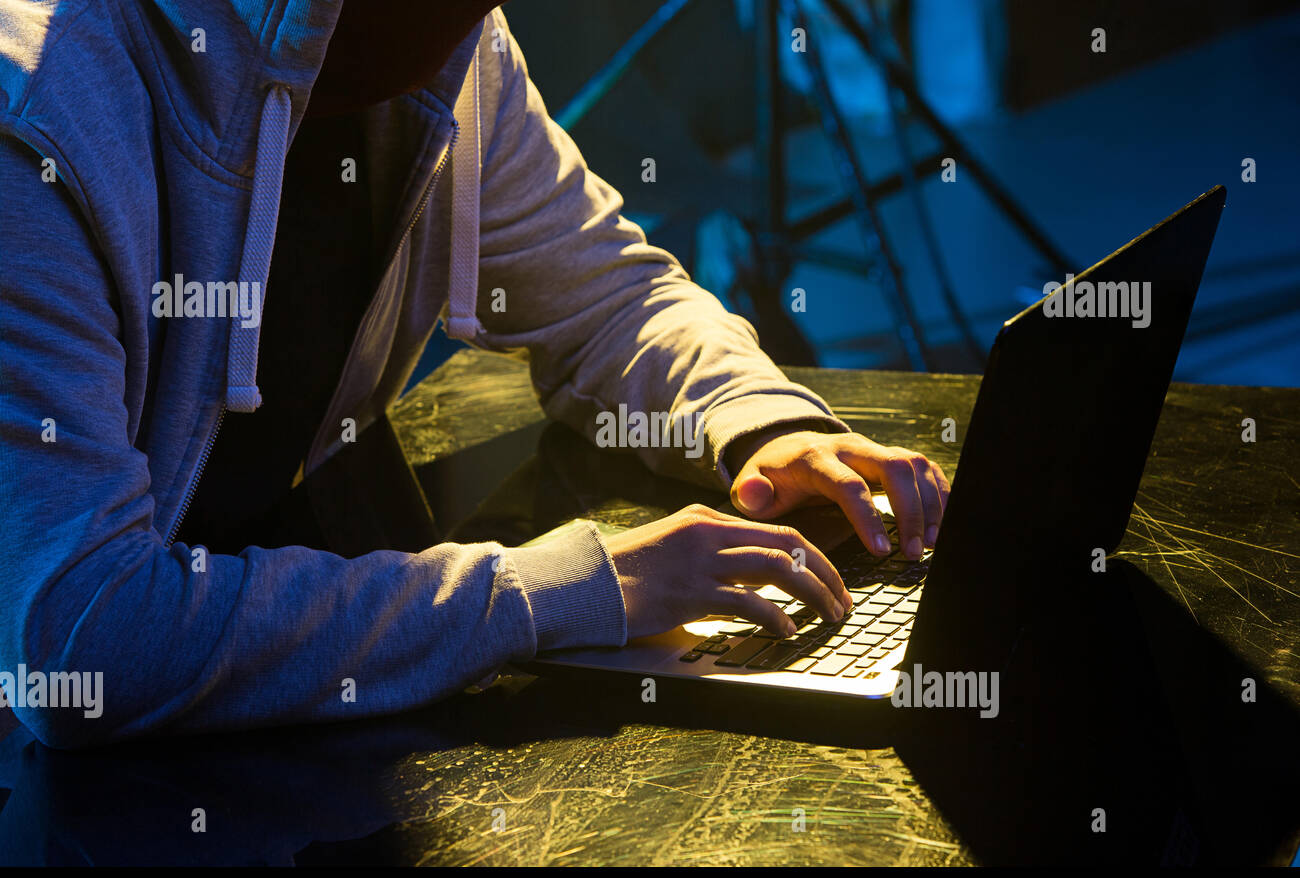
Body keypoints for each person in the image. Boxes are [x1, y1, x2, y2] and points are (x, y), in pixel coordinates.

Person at [0, 1, 948, 748]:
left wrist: (760, 421)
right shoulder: (35, 126)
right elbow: (81, 638)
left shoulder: (451, 45)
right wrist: (571, 586)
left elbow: (607, 294)